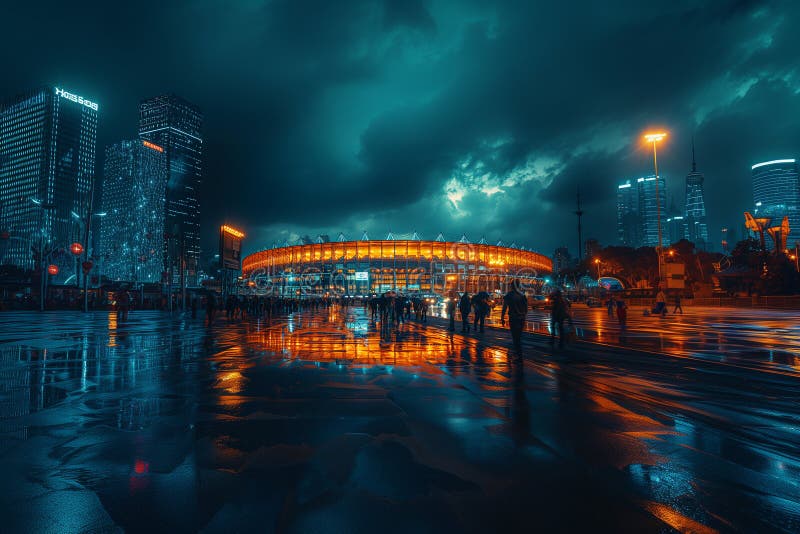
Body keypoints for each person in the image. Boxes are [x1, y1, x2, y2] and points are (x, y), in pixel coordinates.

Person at [501, 280, 528, 354]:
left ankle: (517, 355)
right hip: (521, 318)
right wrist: (523, 316)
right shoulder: (522, 295)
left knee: (515, 337)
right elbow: (526, 309)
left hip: (513, 318)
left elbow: (504, 308)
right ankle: (519, 355)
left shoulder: (509, 295)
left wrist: (502, 318)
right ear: (519, 286)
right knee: (519, 337)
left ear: (512, 286)